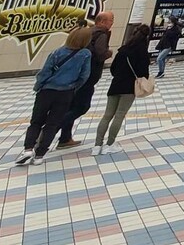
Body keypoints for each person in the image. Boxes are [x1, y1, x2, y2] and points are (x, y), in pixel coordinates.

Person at [15, 26, 93, 165]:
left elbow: (45, 71)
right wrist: (74, 87)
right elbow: (84, 75)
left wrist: (38, 86)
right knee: (52, 123)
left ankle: (28, 148)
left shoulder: (58, 52)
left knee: (36, 121)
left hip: (47, 91)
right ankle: (40, 154)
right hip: (66, 92)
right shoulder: (85, 54)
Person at [93, 22, 150, 156]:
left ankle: (97, 145)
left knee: (107, 115)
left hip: (115, 85)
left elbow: (113, 69)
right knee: (119, 115)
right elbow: (143, 74)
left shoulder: (123, 49)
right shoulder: (142, 52)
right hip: (129, 87)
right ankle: (110, 144)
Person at [59, 11, 114, 149]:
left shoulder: (88, 33)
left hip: (76, 75)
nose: (112, 22)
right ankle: (53, 127)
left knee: (72, 106)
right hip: (89, 76)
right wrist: (109, 52)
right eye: (110, 20)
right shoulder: (101, 34)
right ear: (101, 21)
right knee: (82, 106)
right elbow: (100, 54)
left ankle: (65, 138)